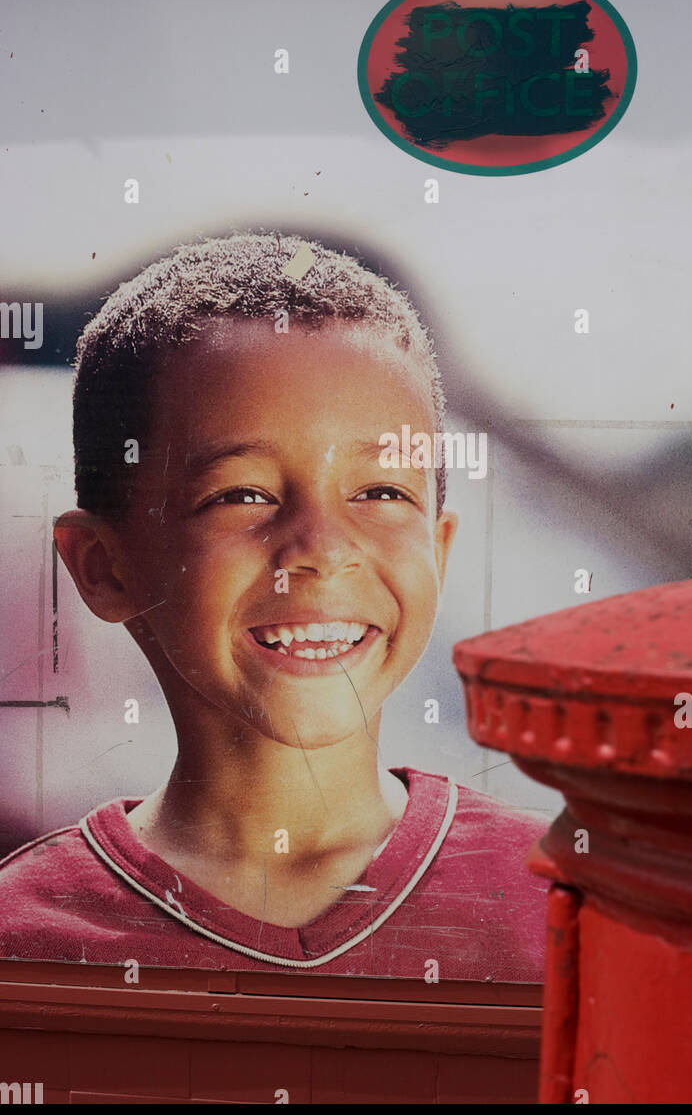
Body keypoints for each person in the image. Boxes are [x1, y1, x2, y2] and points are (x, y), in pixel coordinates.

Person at [0, 232, 549, 981]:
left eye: (382, 493)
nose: (322, 548)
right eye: (242, 495)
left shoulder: (564, 909)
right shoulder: (23, 939)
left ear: (440, 550)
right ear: (104, 568)